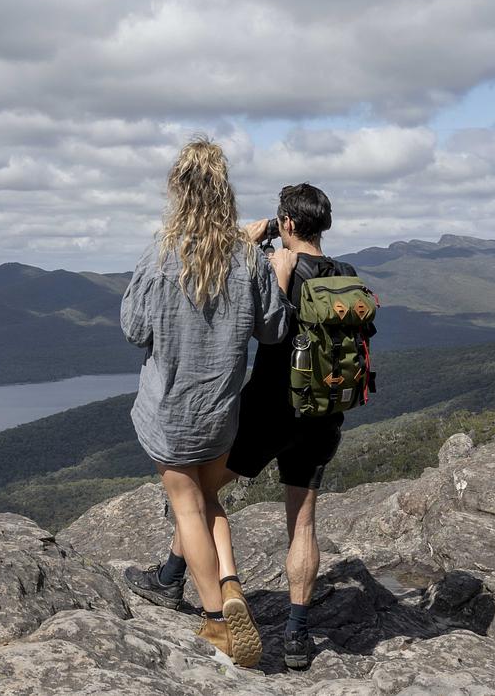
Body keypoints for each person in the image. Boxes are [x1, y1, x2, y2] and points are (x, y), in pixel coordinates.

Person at [124, 182, 351, 672]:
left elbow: (265, 325)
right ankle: (296, 636)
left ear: (286, 223)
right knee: (303, 523)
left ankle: (180, 579)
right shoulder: (344, 276)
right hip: (324, 415)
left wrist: (259, 247)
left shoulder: (272, 266)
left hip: (268, 414)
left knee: (197, 495)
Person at [120, 136, 296, 668]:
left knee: (187, 508)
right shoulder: (248, 256)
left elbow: (133, 329)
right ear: (225, 192)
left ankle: (218, 622)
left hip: (170, 411)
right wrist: (278, 279)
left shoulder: (162, 252)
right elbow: (273, 332)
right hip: (222, 411)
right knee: (211, 501)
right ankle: (232, 586)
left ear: (179, 190)